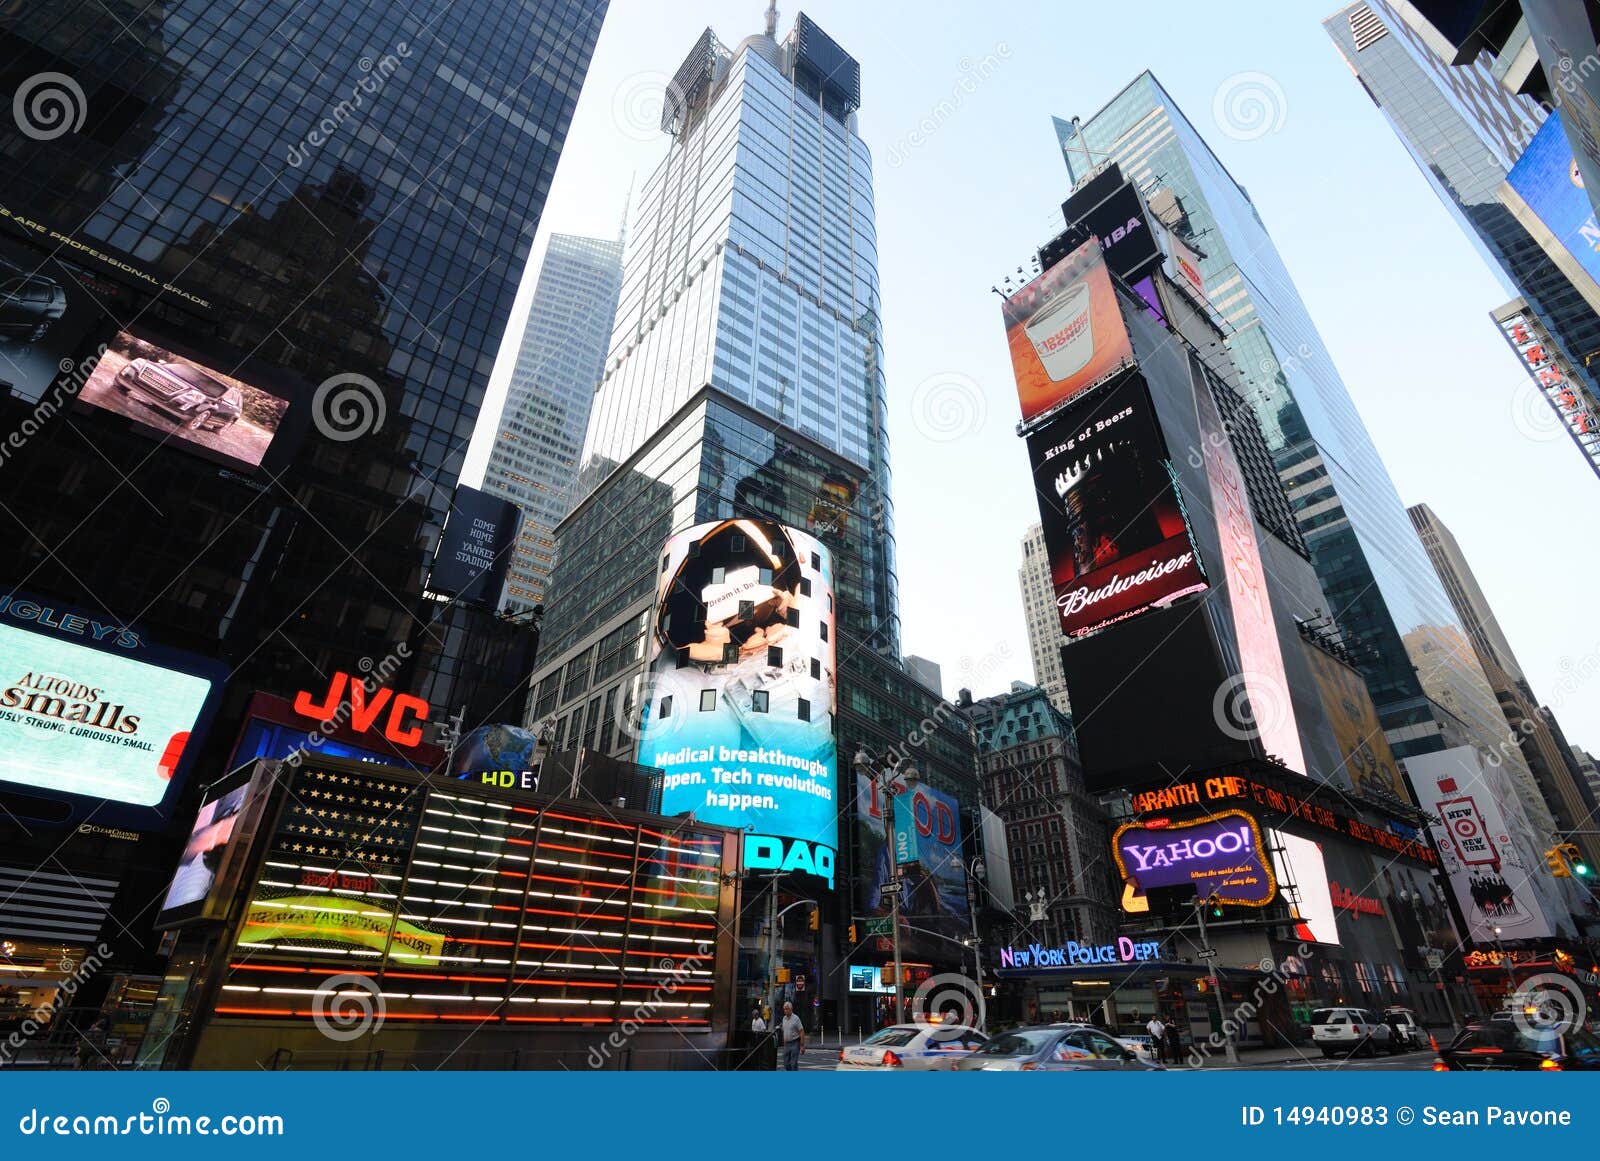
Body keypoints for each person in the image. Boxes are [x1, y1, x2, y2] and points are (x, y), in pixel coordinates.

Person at [777, 1000, 806, 1071]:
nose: (785, 1011)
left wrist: (802, 1045)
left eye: (787, 1009)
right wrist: (784, 1044)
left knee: (793, 1063)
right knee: (786, 1063)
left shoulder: (796, 1018)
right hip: (787, 1043)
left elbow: (801, 1031)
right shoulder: (784, 1019)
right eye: (784, 1009)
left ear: (791, 1009)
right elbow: (784, 1031)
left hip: (795, 1043)